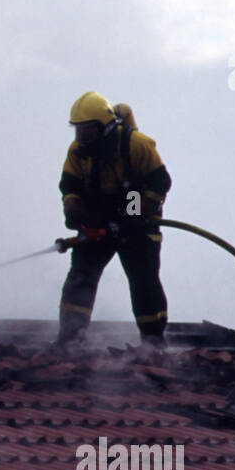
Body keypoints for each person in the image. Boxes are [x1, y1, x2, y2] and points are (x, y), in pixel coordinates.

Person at [57, 92, 171, 347]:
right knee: (80, 277)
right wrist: (74, 210)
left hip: (139, 225)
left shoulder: (136, 145)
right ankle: (69, 341)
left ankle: (153, 343)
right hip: (98, 224)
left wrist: (128, 218)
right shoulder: (77, 152)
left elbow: (159, 183)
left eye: (87, 131)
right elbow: (70, 185)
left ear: (105, 128)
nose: (81, 137)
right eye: (78, 131)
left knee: (143, 281)